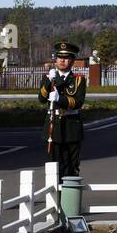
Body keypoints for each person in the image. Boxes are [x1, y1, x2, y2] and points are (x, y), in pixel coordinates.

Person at [38, 41, 87, 177]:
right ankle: (55, 197)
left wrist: (61, 99)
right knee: (54, 166)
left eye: (66, 58)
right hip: (54, 127)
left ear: (72, 61)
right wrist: (49, 83)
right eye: (60, 57)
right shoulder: (49, 78)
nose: (62, 61)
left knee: (71, 166)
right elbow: (41, 99)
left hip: (71, 126)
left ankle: (69, 197)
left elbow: (78, 102)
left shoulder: (78, 80)